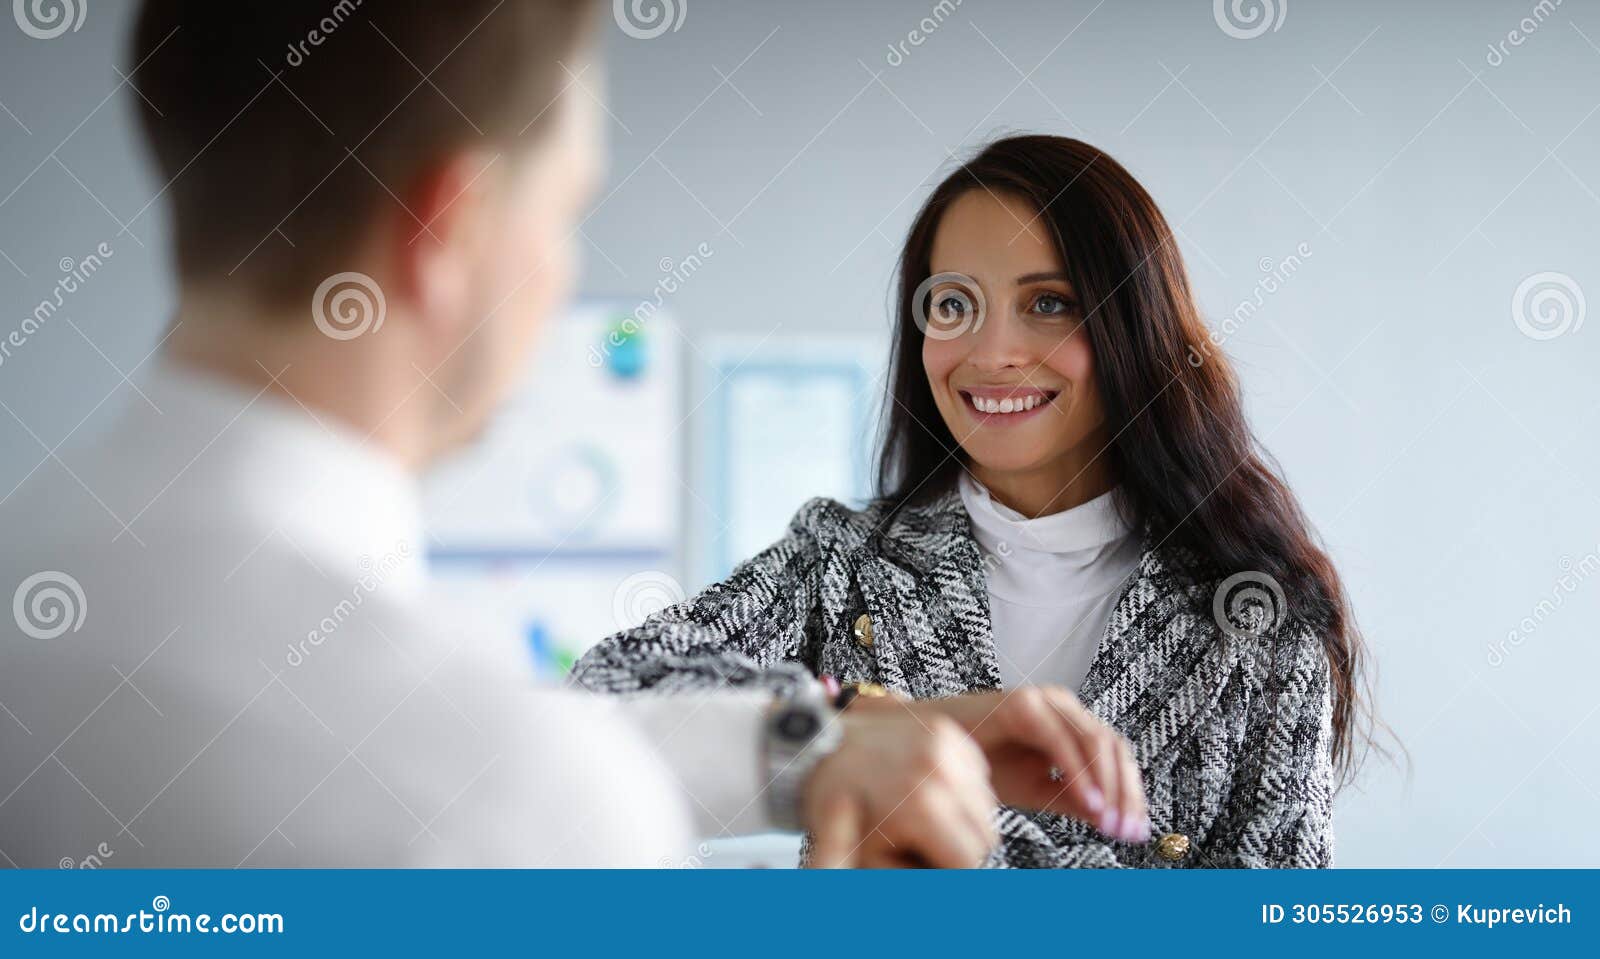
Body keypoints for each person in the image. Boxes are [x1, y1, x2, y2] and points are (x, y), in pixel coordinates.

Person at [0, 0, 1082, 868]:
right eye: (563, 212)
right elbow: (499, 773)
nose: (562, 272)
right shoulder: (524, 811)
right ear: (448, 230)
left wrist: (803, 744)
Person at [575, 134, 1375, 868]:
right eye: (953, 304)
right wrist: (874, 727)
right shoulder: (842, 565)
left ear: (1136, 327)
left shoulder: (1256, 617)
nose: (991, 353)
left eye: (1049, 302)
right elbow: (599, 701)